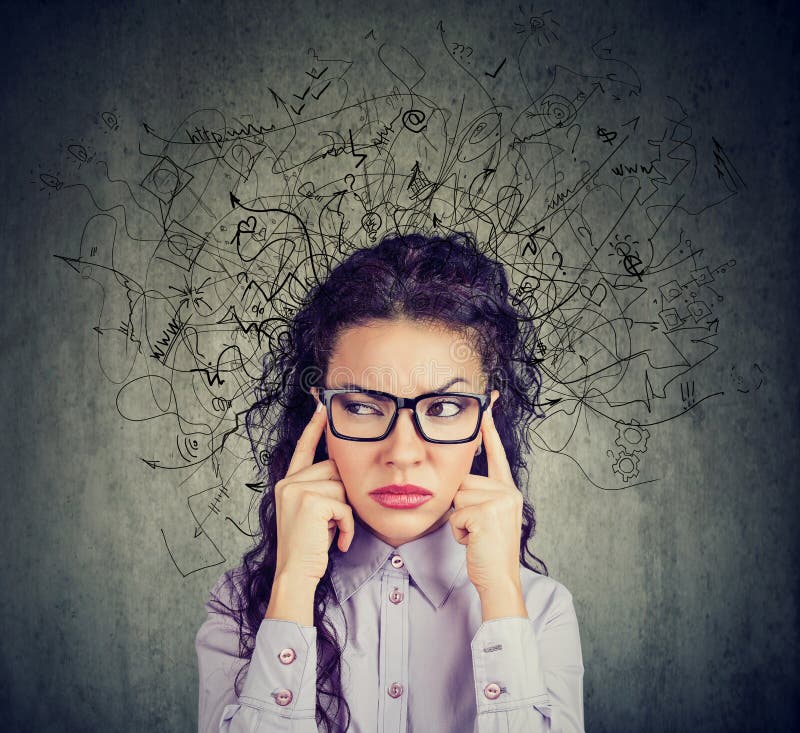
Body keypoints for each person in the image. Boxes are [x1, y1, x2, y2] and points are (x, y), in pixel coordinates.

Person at [195, 232, 584, 732]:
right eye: (362, 407)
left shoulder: (541, 610)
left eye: (444, 407)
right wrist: (291, 588)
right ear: (321, 414)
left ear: (485, 418)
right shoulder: (242, 605)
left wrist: (502, 600)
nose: (401, 453)